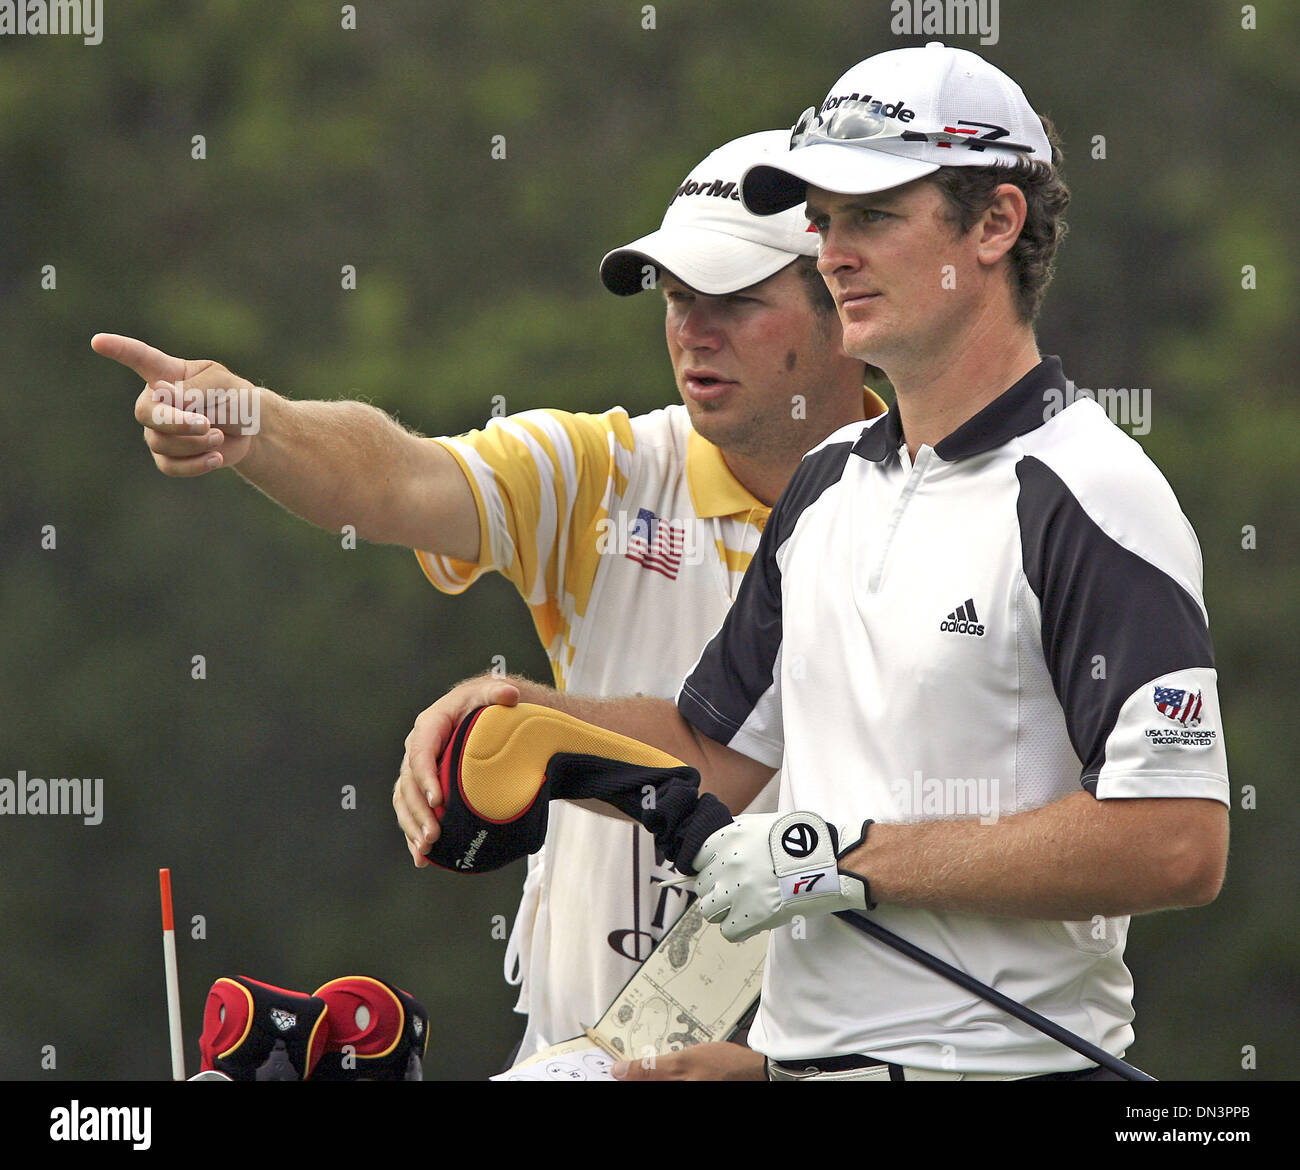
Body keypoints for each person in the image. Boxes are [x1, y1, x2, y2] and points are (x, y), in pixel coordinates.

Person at [399, 43, 1229, 1081]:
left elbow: (1175, 841)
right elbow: (712, 756)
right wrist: (517, 713)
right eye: (823, 219)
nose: (833, 251)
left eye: (872, 215)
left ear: (994, 225)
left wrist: (842, 861)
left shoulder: (1091, 492)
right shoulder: (831, 478)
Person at [96, 130, 882, 1080]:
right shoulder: (612, 469)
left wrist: (535, 721)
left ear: (844, 303)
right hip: (587, 1051)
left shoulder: (945, 503)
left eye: (733, 300)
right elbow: (394, 479)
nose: (691, 330)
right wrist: (255, 419)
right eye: (676, 299)